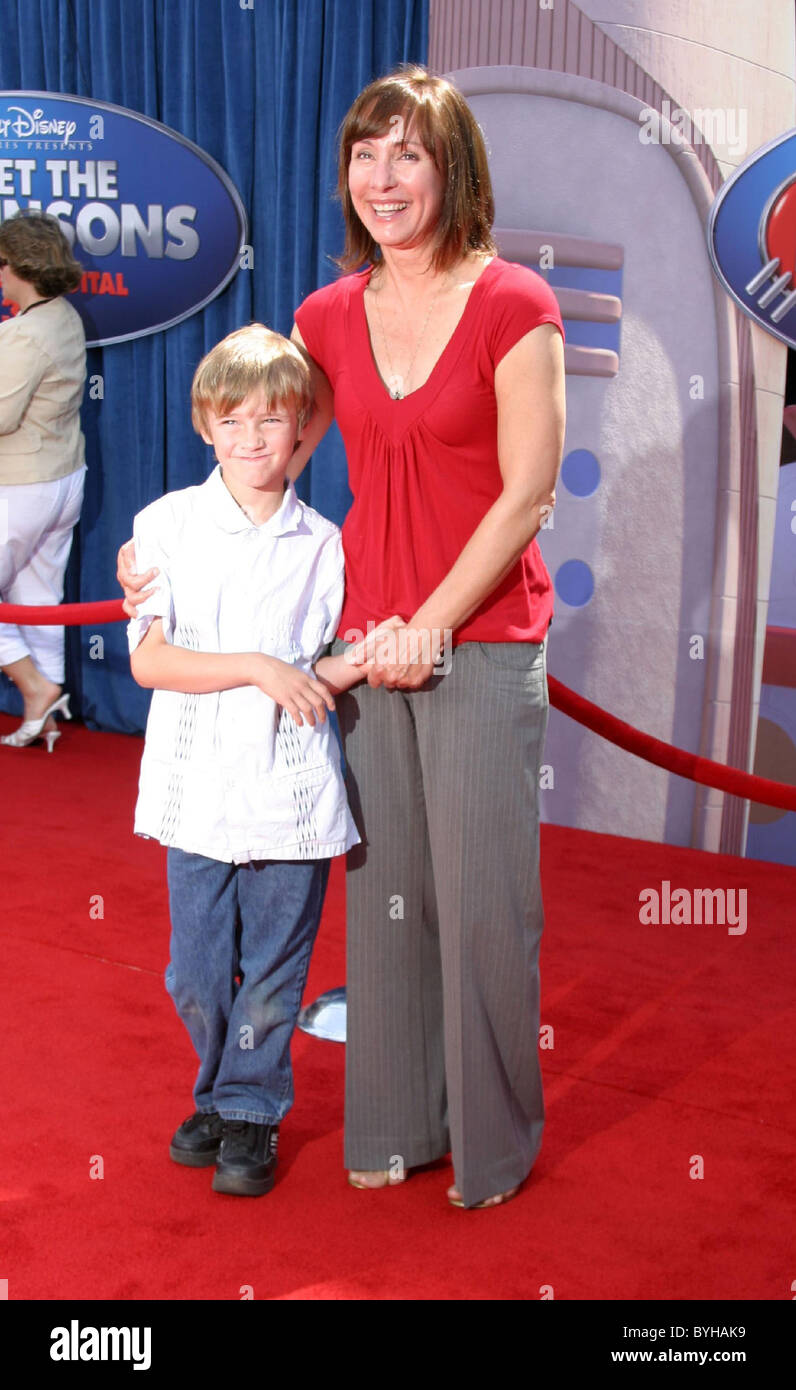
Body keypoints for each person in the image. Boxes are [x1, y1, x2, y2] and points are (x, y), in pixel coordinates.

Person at [121, 64, 566, 1209]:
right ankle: (397, 1124)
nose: (382, 177)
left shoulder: (516, 303)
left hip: (477, 639)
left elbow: (527, 494)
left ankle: (493, 1144)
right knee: (387, 903)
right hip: (365, 647)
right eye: (365, 155)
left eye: (406, 153)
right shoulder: (324, 317)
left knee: (478, 909)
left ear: (450, 166)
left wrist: (431, 622)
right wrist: (156, 553)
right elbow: (257, 451)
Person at [127, 324, 398, 1197]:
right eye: (233, 420)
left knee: (278, 971)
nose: (252, 439)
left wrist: (374, 651)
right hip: (195, 789)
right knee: (197, 971)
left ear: (302, 431)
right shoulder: (164, 525)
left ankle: (247, 1110)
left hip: (291, 791)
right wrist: (255, 666)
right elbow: (150, 661)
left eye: (273, 422)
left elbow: (318, 667)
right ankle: (216, 1087)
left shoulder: (325, 542)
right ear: (205, 424)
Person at [0, 210, 86, 751]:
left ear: (20, 267)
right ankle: (47, 714)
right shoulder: (64, 316)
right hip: (63, 481)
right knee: (38, 596)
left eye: (2, 265)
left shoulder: (23, 333)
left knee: (36, 597)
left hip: (21, 485)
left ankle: (35, 687)